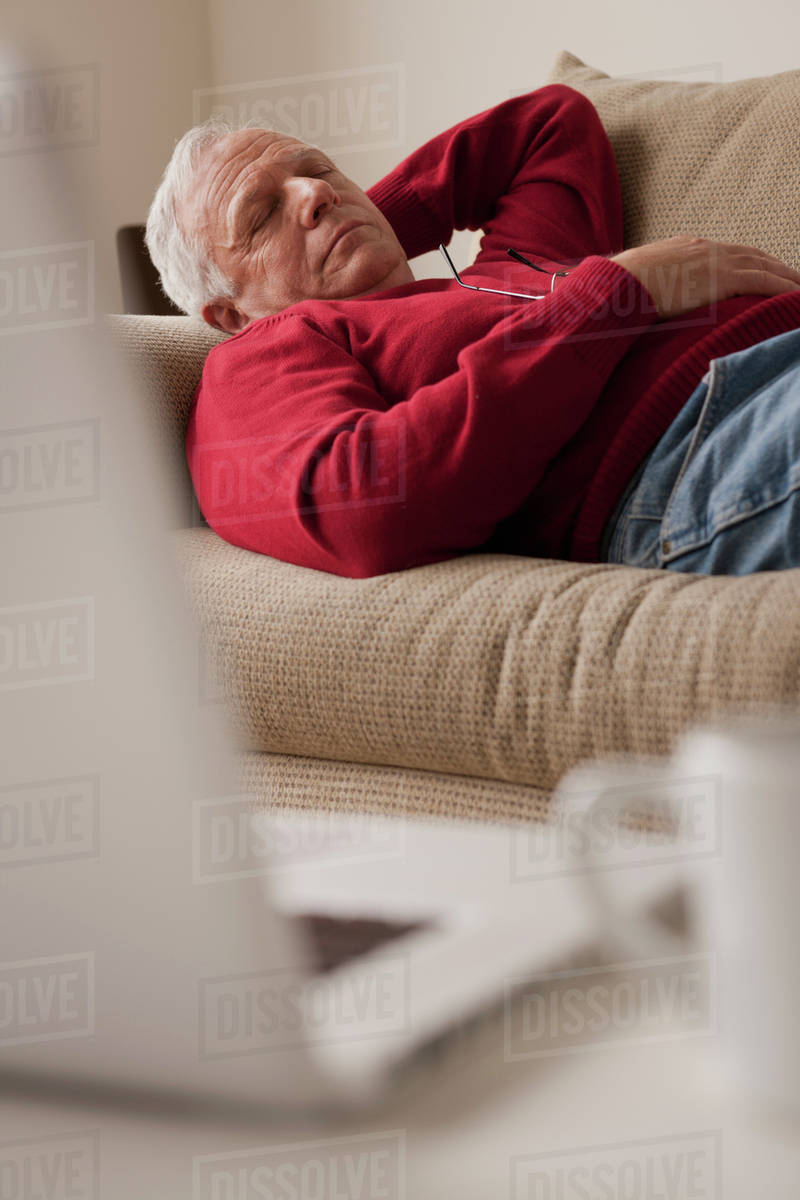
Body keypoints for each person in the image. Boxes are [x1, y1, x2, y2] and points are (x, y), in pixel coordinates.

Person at [145, 84, 800, 578]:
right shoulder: (256, 357)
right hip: (697, 445)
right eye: (261, 215)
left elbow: (552, 124)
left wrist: (362, 223)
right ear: (229, 314)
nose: (313, 195)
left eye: (317, 170)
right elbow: (366, 505)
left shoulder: (507, 270)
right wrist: (615, 297)